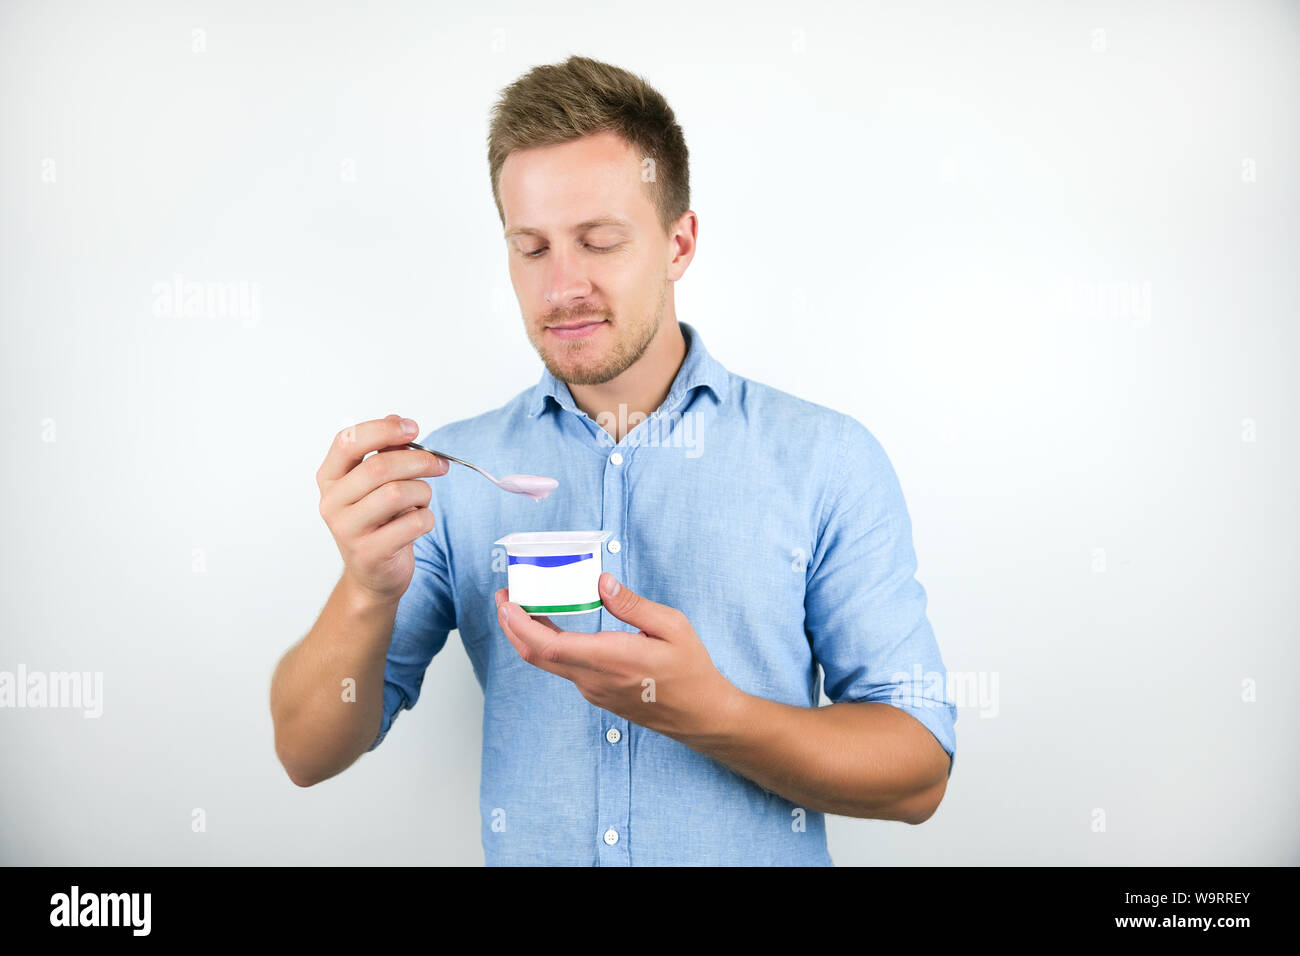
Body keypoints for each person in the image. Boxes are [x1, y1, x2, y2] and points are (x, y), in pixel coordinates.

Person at [270, 55, 956, 866]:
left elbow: (918, 771)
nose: (562, 286)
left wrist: (713, 712)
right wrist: (363, 591)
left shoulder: (826, 460)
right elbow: (306, 754)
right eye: (531, 248)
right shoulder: (454, 474)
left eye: (598, 241)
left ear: (679, 242)